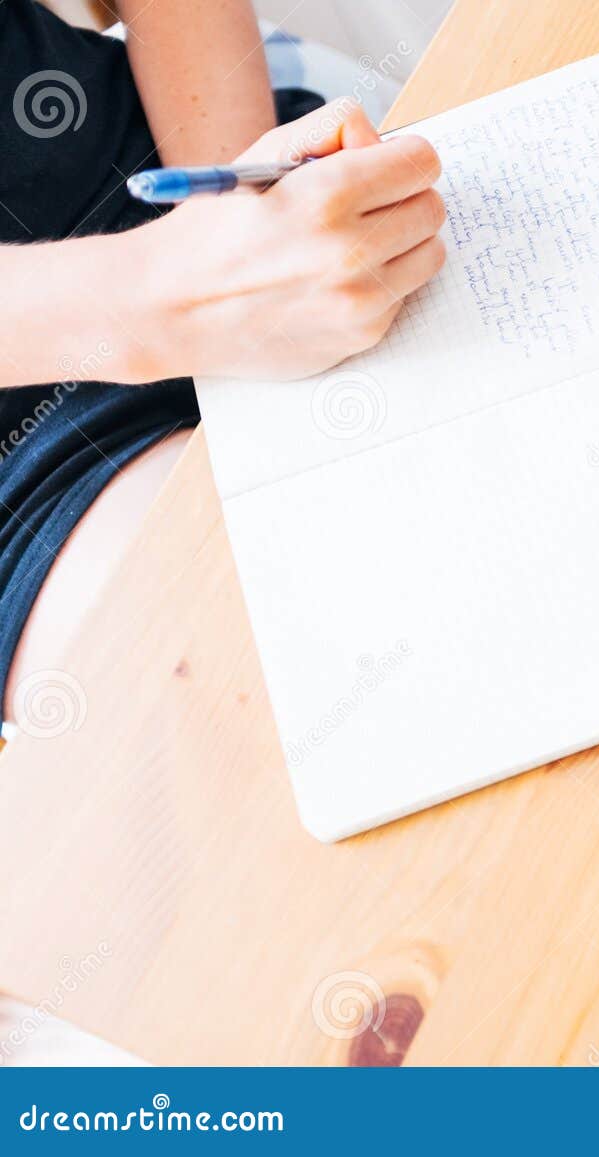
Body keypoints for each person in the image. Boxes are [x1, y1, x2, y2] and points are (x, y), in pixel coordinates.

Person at [0, 0, 445, 729]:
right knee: (307, 687)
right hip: (31, 459)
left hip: (188, 166)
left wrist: (251, 207)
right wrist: (165, 296)